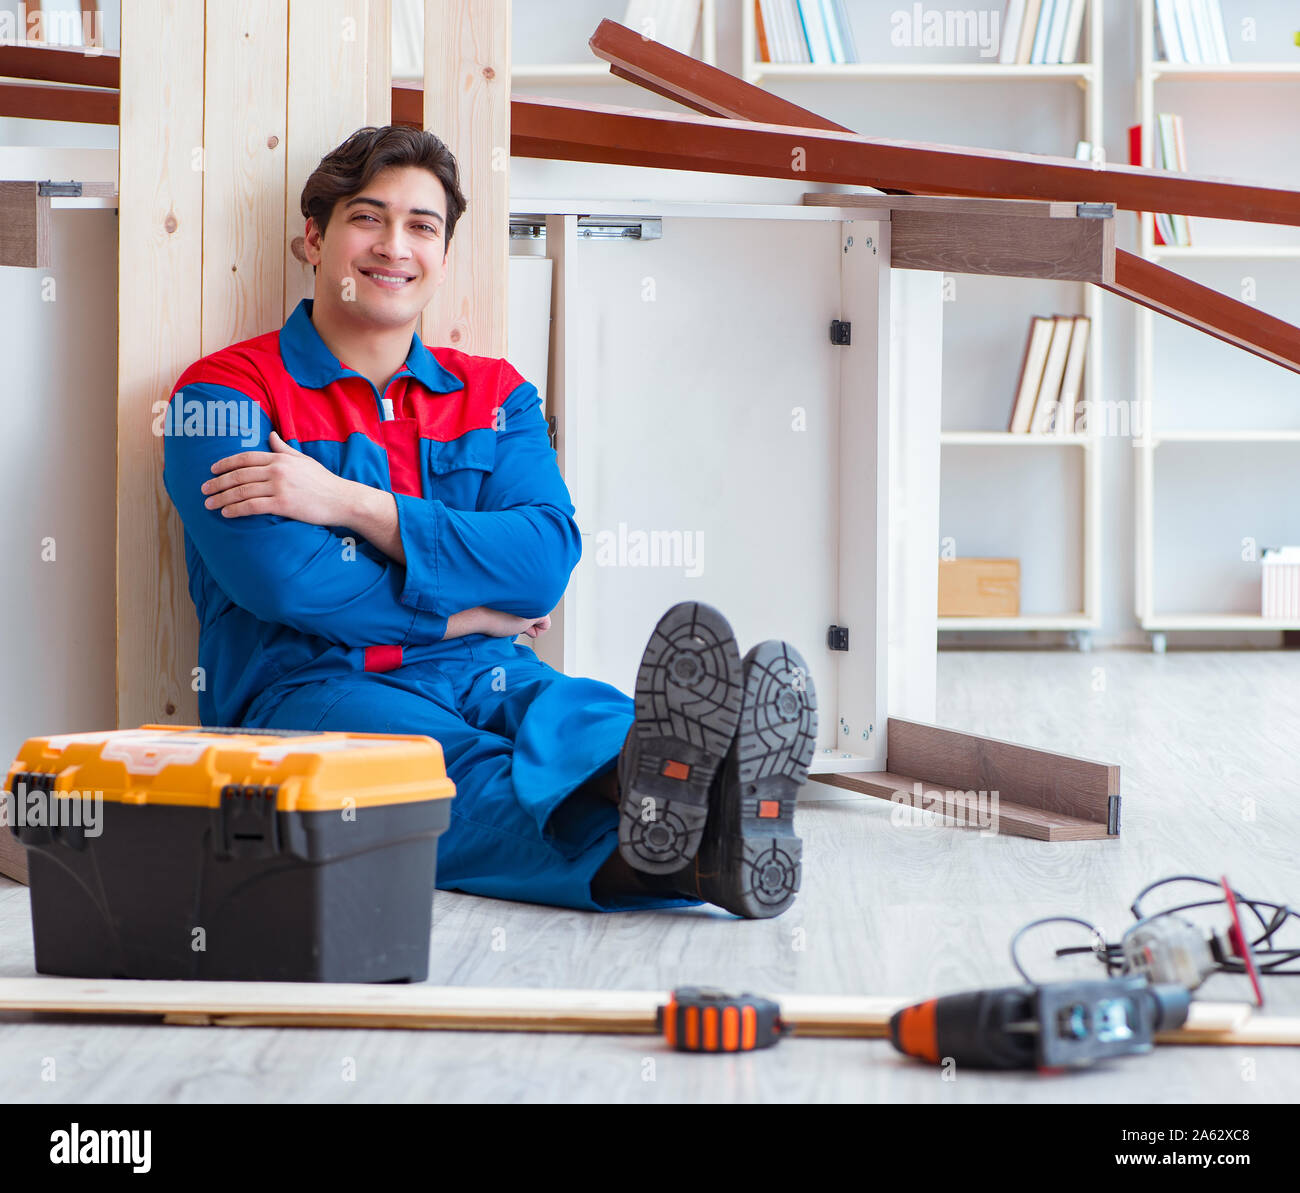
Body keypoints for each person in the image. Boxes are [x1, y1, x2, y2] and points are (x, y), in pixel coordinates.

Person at [161, 125, 817, 918]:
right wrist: (469, 609)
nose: (393, 246)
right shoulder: (222, 397)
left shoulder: (497, 395)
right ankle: (705, 853)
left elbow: (543, 561)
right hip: (309, 686)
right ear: (313, 238)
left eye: (421, 226)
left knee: (577, 711)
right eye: (368, 218)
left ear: (443, 254)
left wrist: (348, 503)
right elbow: (287, 582)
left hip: (481, 666)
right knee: (449, 769)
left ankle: (692, 795)